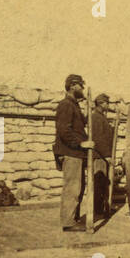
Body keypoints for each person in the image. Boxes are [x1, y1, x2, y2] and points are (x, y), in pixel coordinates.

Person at [53, 73, 95, 232]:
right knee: (72, 187)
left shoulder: (74, 105)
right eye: (80, 86)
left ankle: (73, 219)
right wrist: (81, 143)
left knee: (78, 187)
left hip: (76, 153)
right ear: (72, 86)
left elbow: (79, 125)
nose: (82, 88)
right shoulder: (66, 105)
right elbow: (64, 130)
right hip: (71, 152)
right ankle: (68, 223)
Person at [90, 93, 115, 218]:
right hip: (99, 156)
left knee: (103, 182)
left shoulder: (101, 117)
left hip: (103, 156)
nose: (108, 105)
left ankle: (102, 208)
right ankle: (98, 210)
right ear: (101, 104)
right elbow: (98, 139)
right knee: (99, 183)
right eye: (107, 103)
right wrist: (107, 156)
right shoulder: (96, 118)